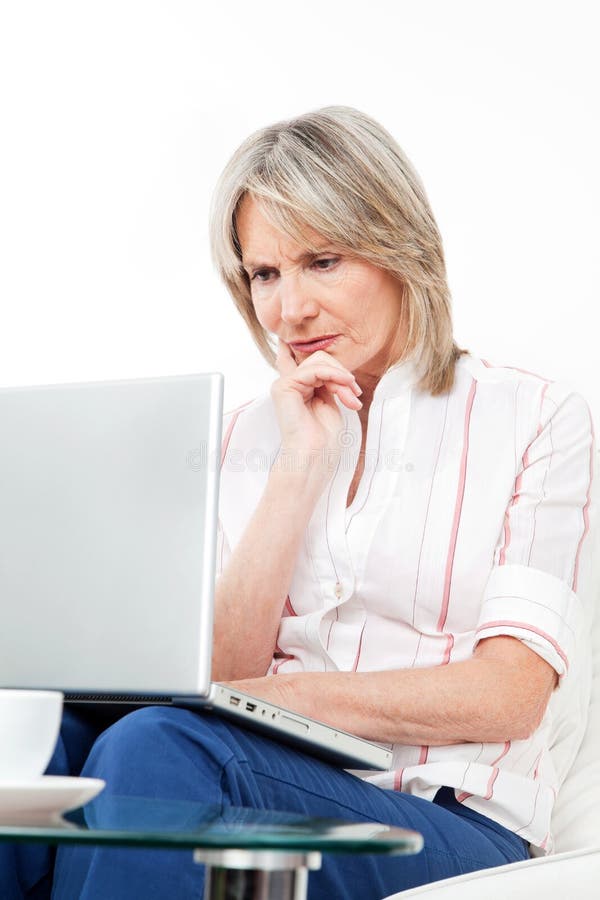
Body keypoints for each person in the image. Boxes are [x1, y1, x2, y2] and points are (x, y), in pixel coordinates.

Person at [2, 106, 595, 899]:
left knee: (156, 750)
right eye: (265, 274)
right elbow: (221, 673)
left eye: (323, 261)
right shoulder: (245, 433)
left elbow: (509, 695)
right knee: (40, 753)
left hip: (444, 819)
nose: (290, 310)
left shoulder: (537, 418)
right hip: (258, 773)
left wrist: (273, 703)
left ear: (400, 249)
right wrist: (297, 469)